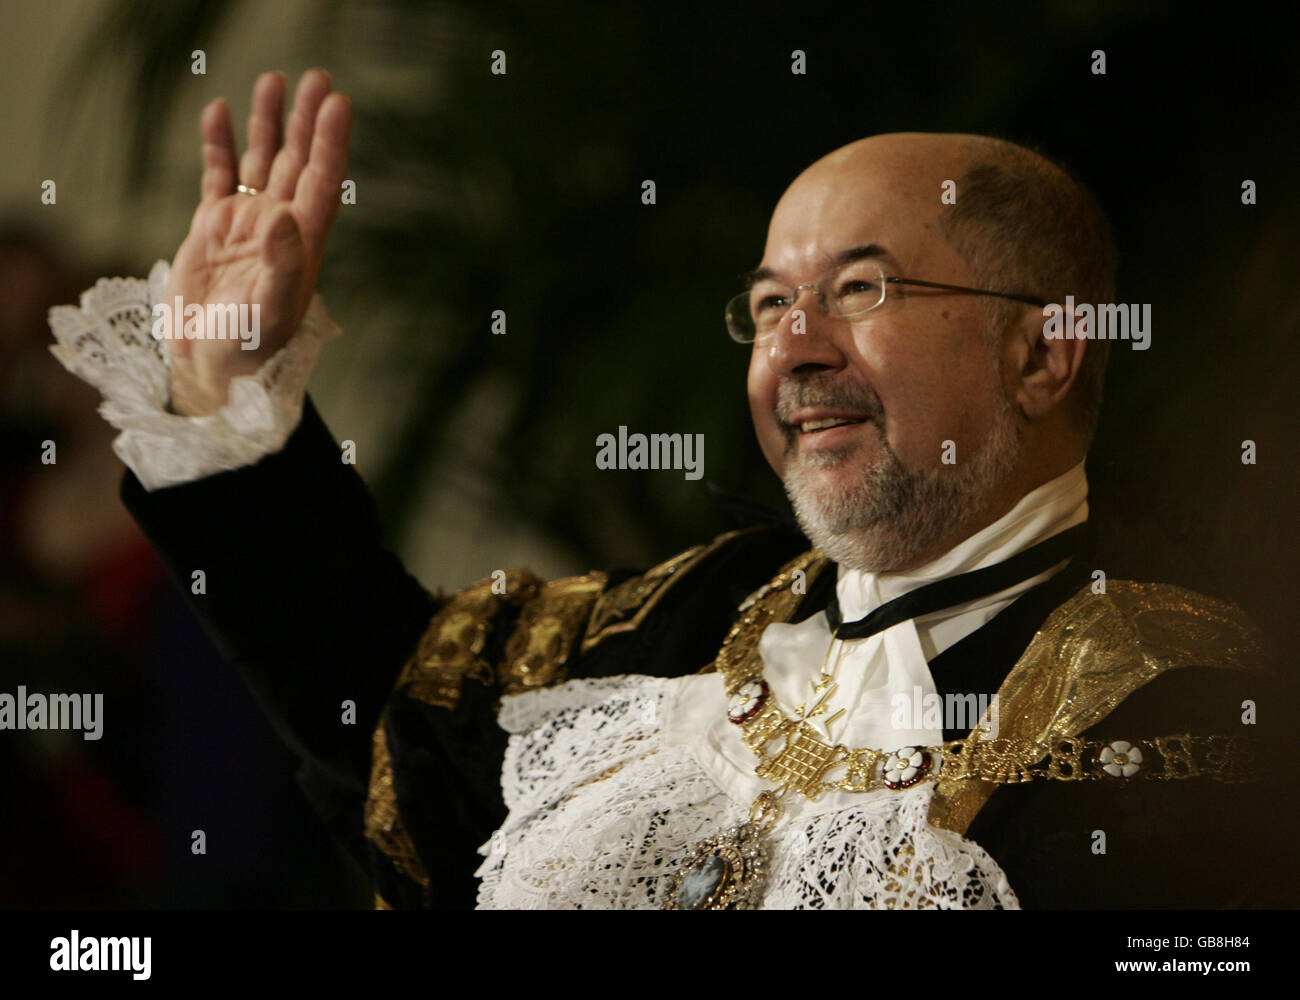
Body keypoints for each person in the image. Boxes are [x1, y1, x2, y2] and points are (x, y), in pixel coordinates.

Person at [48, 69, 1282, 909]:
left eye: (860, 289)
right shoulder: (706, 611)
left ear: (1045, 351)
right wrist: (229, 390)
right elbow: (392, 722)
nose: (794, 348)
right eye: (765, 305)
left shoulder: (1192, 724)